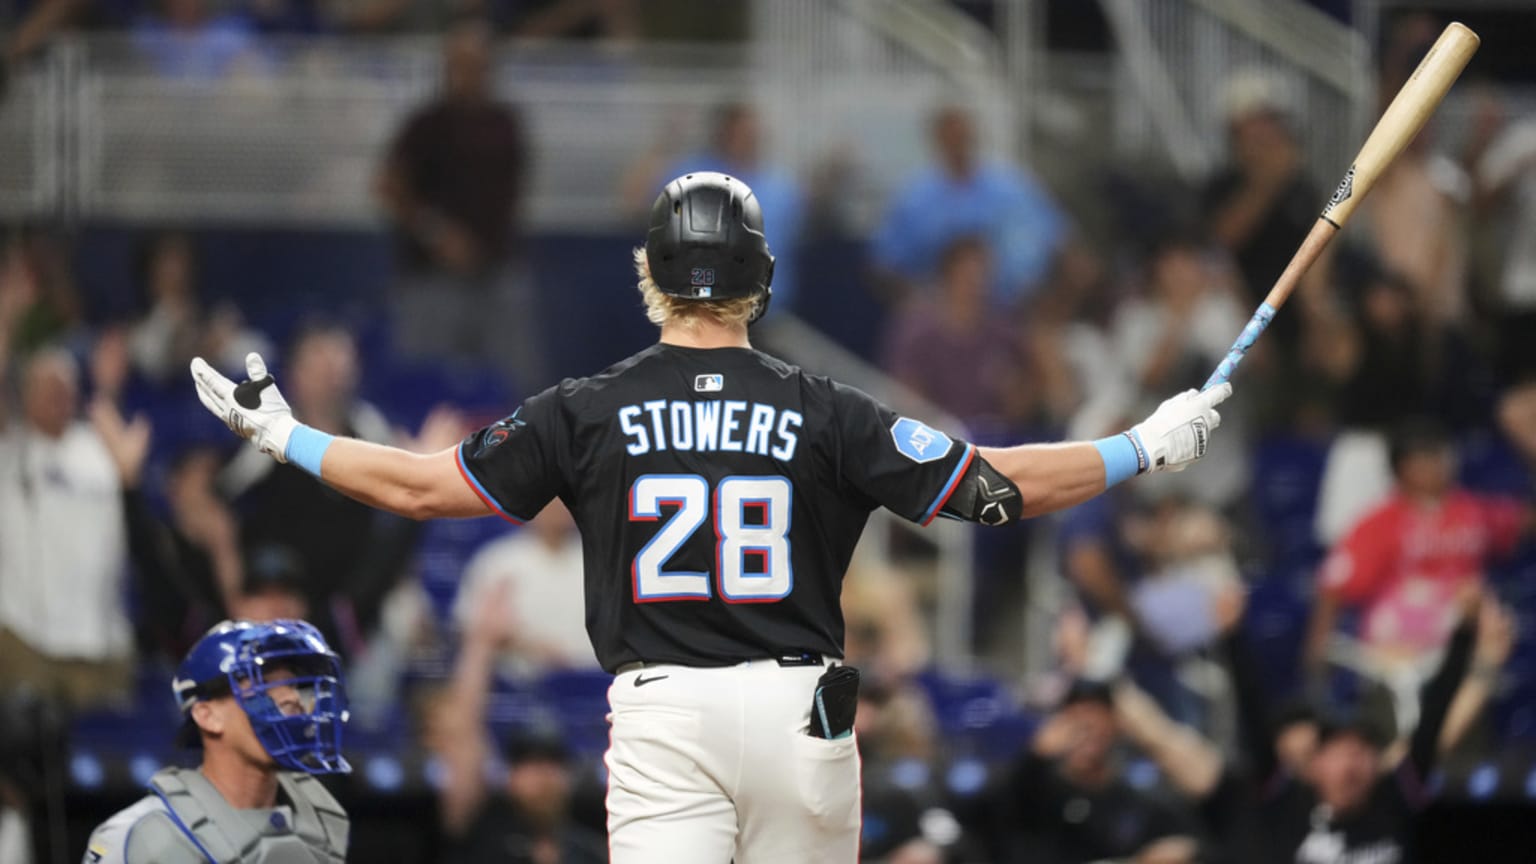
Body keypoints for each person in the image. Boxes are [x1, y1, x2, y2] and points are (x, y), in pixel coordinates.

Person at [189, 171, 1231, 862]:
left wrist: (285, 436)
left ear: (649, 276)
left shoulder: (588, 407)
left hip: (665, 713)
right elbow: (993, 486)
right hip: (802, 719)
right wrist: (1144, 443)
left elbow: (418, 486)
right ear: (758, 282)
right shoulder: (828, 408)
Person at [81, 619, 351, 863]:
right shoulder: (144, 836)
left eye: (292, 685)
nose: (291, 698)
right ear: (206, 715)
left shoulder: (321, 821)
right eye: (264, 687)